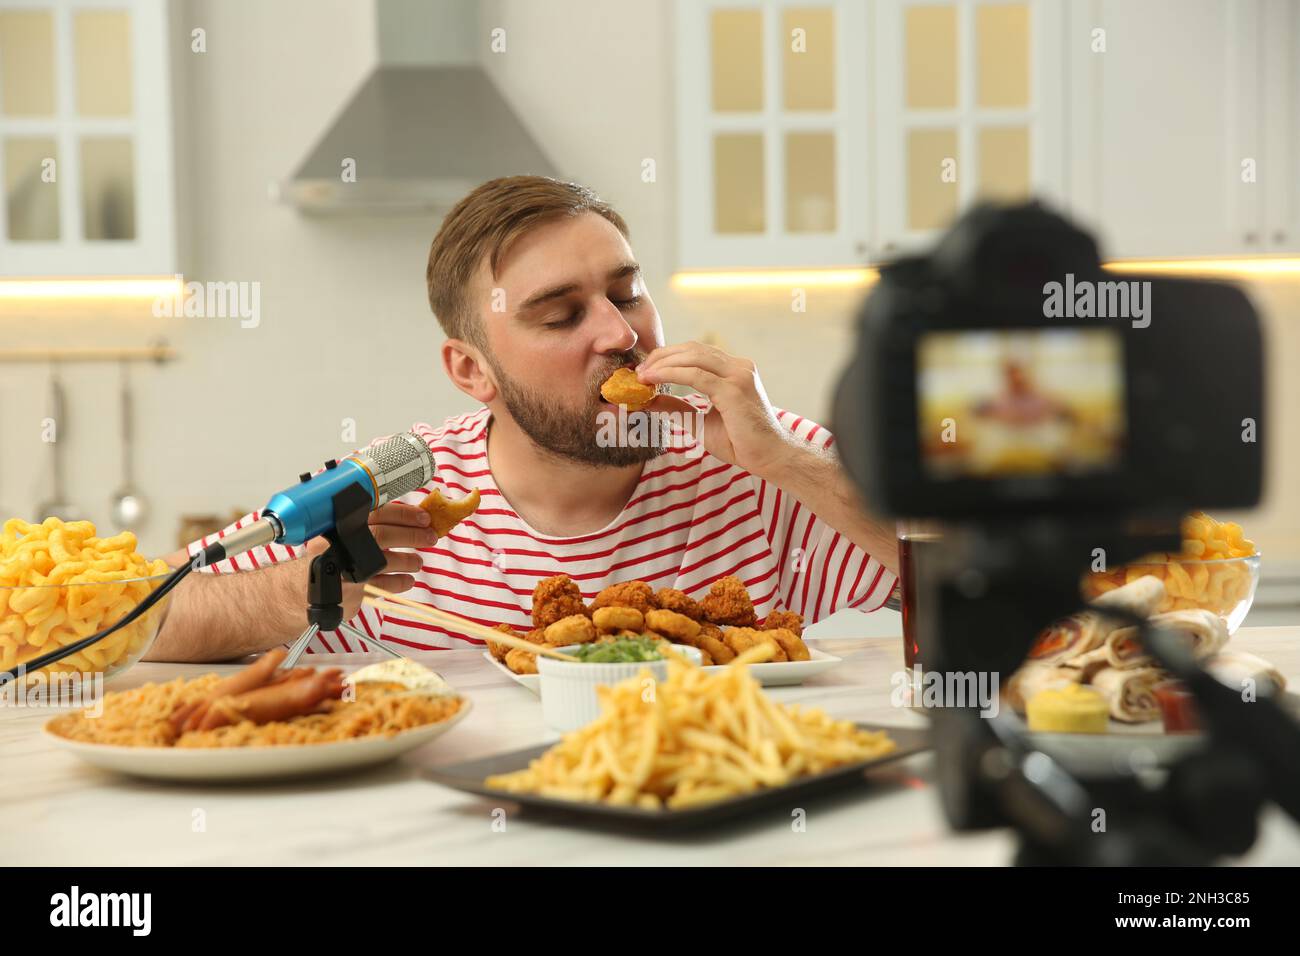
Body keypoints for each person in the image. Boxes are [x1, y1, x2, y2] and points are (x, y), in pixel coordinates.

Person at [150, 176, 898, 661]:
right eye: (562, 315)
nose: (619, 334)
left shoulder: (761, 456)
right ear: (472, 371)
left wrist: (789, 465)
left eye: (627, 293)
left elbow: (998, 594)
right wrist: (307, 588)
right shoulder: (402, 485)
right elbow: (140, 619)